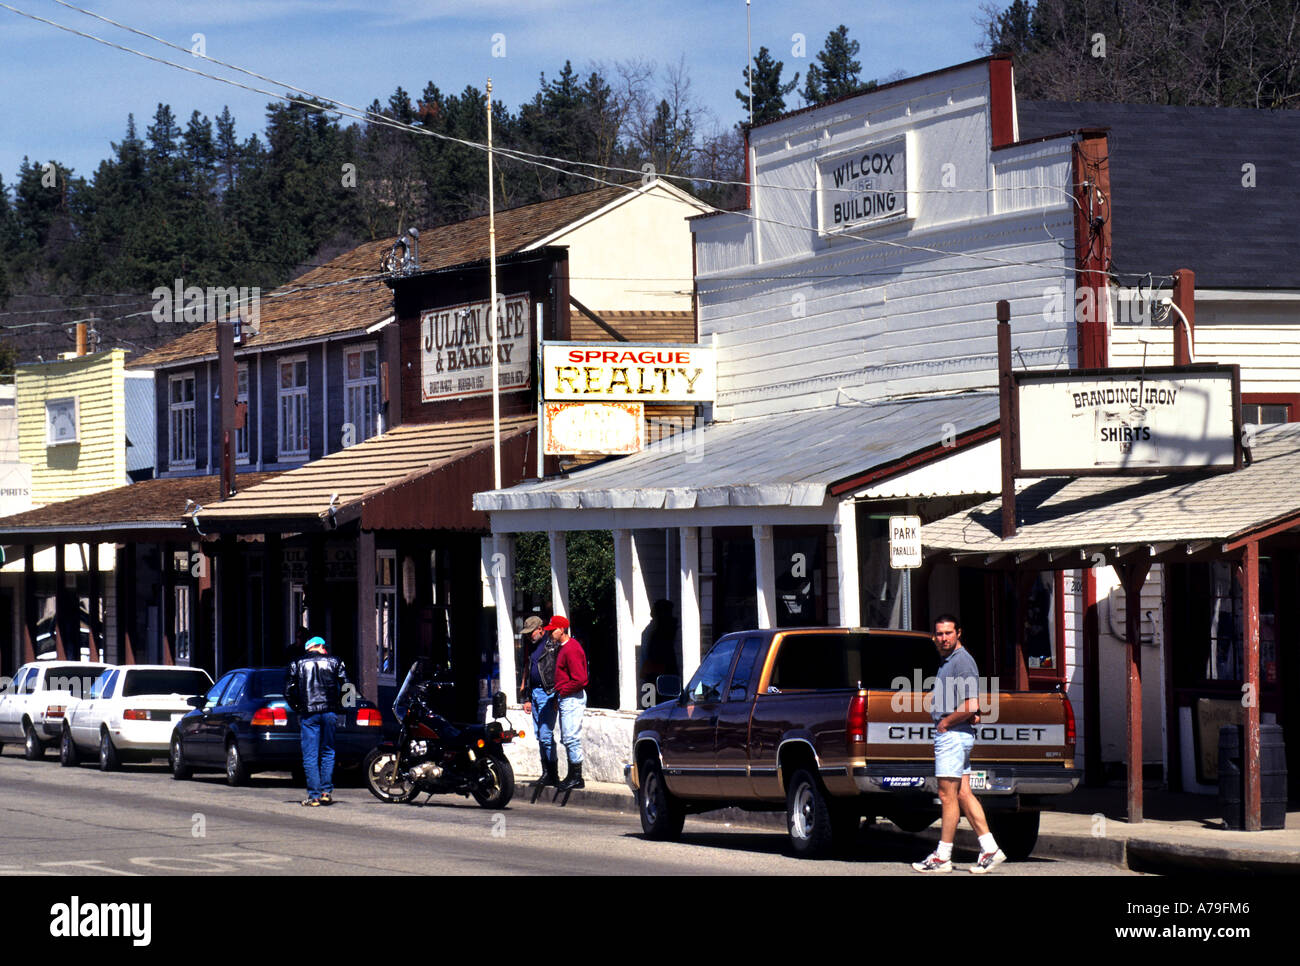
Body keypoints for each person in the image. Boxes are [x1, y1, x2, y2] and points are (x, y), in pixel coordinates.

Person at [911, 614, 1006, 874]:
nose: (943, 638)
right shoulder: (949, 661)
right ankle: (990, 849)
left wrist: (945, 722)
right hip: (957, 734)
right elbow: (968, 705)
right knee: (963, 793)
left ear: (959, 633)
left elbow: (971, 705)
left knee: (947, 795)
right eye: (939, 634)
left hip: (952, 735)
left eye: (948, 633)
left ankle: (942, 856)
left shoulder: (962, 661)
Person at [286, 635, 353, 807]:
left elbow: (288, 691)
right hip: (330, 711)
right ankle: (326, 792)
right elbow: (347, 685)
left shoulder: (297, 663)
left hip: (309, 713)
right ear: (321, 647)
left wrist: (298, 707)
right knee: (328, 751)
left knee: (310, 754)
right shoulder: (335, 661)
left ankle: (314, 796)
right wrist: (343, 708)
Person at [542, 615, 588, 791]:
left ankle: (576, 776)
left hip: (572, 697)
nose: (550, 634)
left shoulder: (571, 648)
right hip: (566, 696)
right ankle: (573, 775)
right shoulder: (563, 648)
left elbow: (580, 679)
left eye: (552, 630)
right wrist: (558, 696)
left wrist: (562, 692)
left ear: (561, 629)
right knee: (567, 737)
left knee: (571, 737)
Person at [518, 615, 560, 787]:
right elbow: (528, 670)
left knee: (545, 735)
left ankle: (553, 774)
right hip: (535, 693)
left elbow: (558, 670)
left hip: (547, 692)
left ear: (540, 629)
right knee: (539, 736)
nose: (529, 636)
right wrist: (527, 697)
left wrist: (557, 695)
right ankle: (546, 773)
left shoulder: (552, 645)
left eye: (531, 632)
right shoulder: (531, 647)